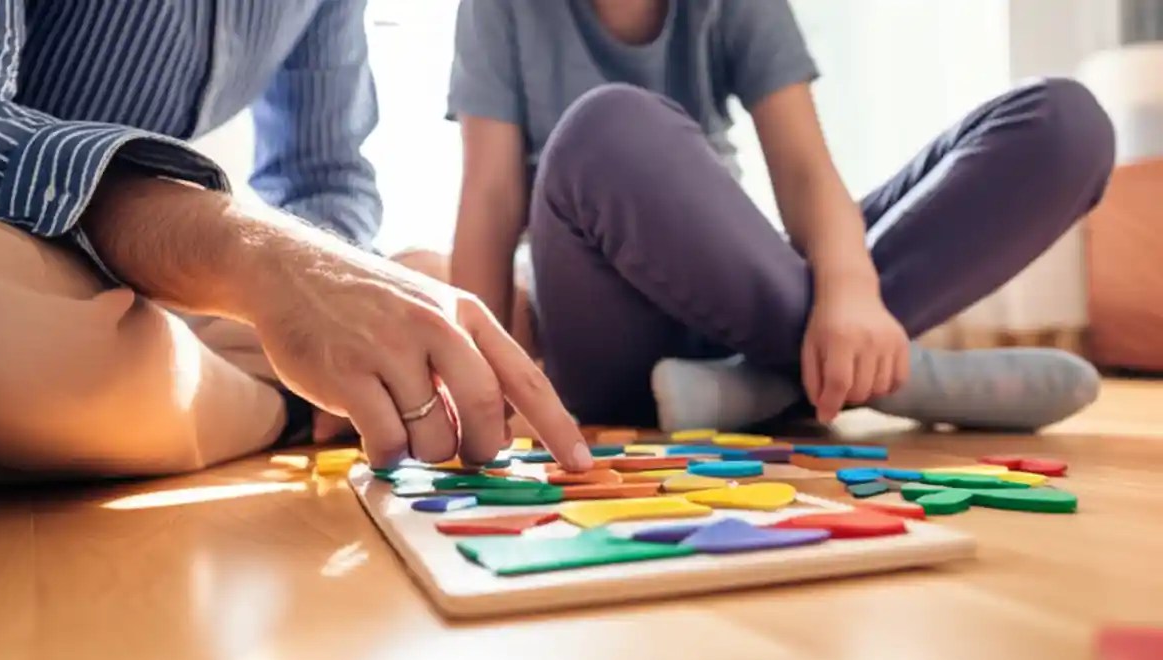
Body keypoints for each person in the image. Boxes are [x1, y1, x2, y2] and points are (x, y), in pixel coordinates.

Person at [0, 1, 593, 495]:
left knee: (427, 282)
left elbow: (325, 176)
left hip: (147, 284)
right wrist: (251, 257)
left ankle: (262, 402)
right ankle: (270, 414)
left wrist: (323, 296)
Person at [446, 0, 1113, 431]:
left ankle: (758, 384)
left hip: (737, 286)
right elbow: (492, 199)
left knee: (1064, 125)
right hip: (606, 323)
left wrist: (851, 294)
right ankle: (906, 378)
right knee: (604, 127)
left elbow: (803, 172)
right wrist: (482, 380)